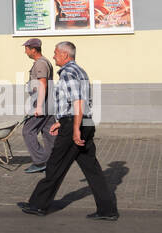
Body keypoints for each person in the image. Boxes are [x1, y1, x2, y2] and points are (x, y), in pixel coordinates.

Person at [20, 41, 118, 219]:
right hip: (83, 122)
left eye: (56, 53)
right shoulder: (80, 70)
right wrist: (61, 121)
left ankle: (38, 205)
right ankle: (108, 210)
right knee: (93, 170)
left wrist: (74, 128)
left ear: (65, 55)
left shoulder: (69, 72)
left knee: (55, 165)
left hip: (76, 123)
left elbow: (78, 101)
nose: (54, 56)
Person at [20, 39, 54, 174]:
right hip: (48, 102)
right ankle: (53, 159)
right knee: (49, 132)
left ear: (33, 49)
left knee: (28, 131)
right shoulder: (43, 62)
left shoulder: (40, 64)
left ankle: (40, 161)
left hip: (43, 103)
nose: (25, 51)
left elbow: (42, 85)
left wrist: (39, 107)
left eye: (26, 49)